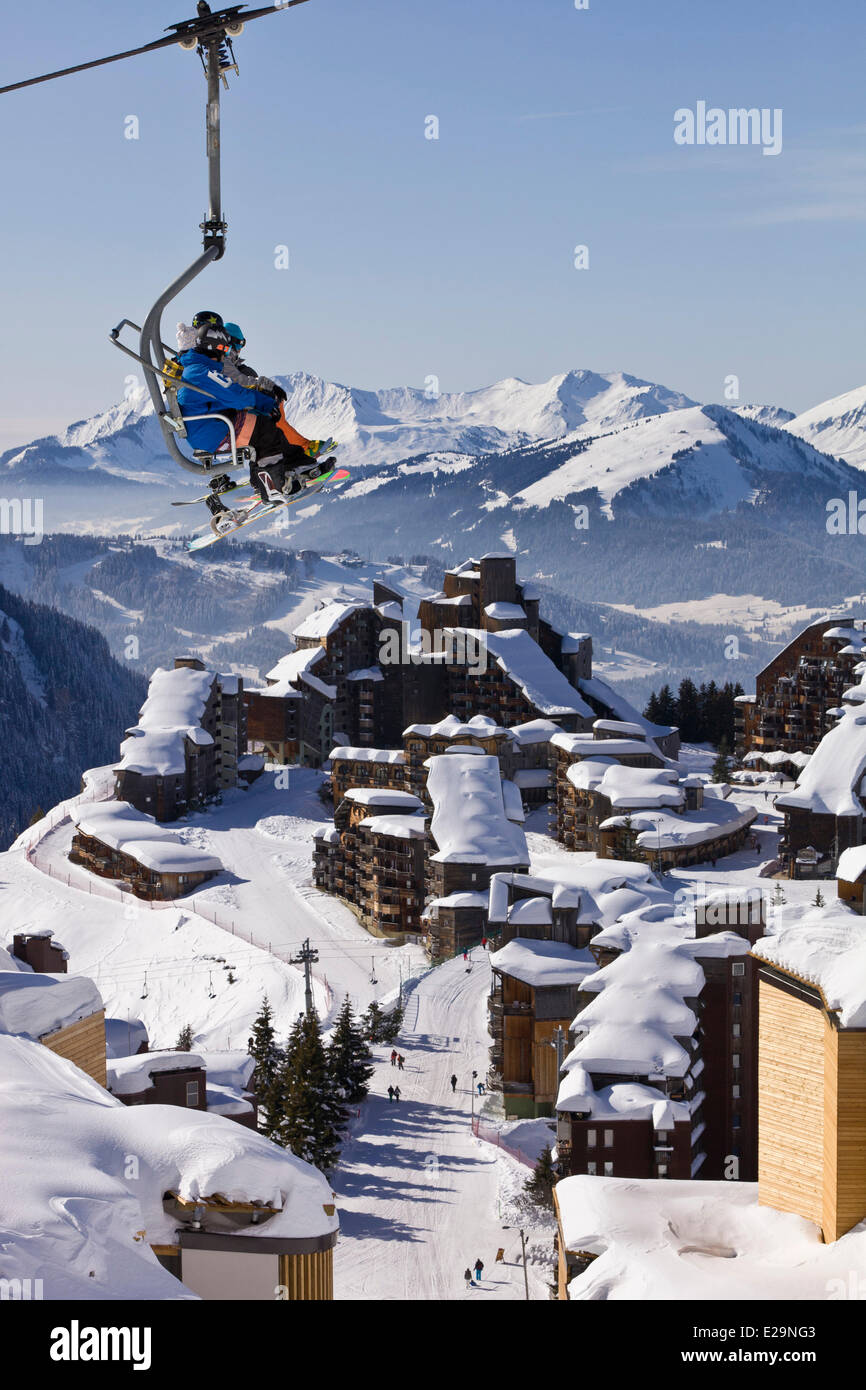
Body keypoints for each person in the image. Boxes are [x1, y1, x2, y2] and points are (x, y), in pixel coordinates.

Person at [176, 312, 334, 507]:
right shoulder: (203, 372)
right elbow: (236, 395)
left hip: (212, 424)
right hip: (212, 431)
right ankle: (273, 487)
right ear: (214, 347)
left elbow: (233, 393)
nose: (226, 354)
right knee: (263, 428)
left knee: (265, 421)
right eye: (225, 348)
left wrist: (263, 403)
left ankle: (292, 464)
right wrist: (266, 402)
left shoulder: (200, 367)